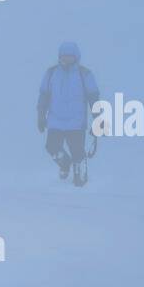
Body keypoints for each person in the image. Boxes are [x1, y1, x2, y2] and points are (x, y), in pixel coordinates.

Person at [36, 41, 100, 186]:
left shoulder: (85, 74)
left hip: (76, 122)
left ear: (76, 57)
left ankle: (80, 176)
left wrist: (98, 119)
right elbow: (44, 95)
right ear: (60, 56)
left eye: (70, 56)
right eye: (64, 56)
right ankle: (65, 164)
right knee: (51, 147)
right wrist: (40, 115)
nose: (67, 59)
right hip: (55, 120)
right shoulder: (51, 73)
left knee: (78, 152)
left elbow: (93, 97)